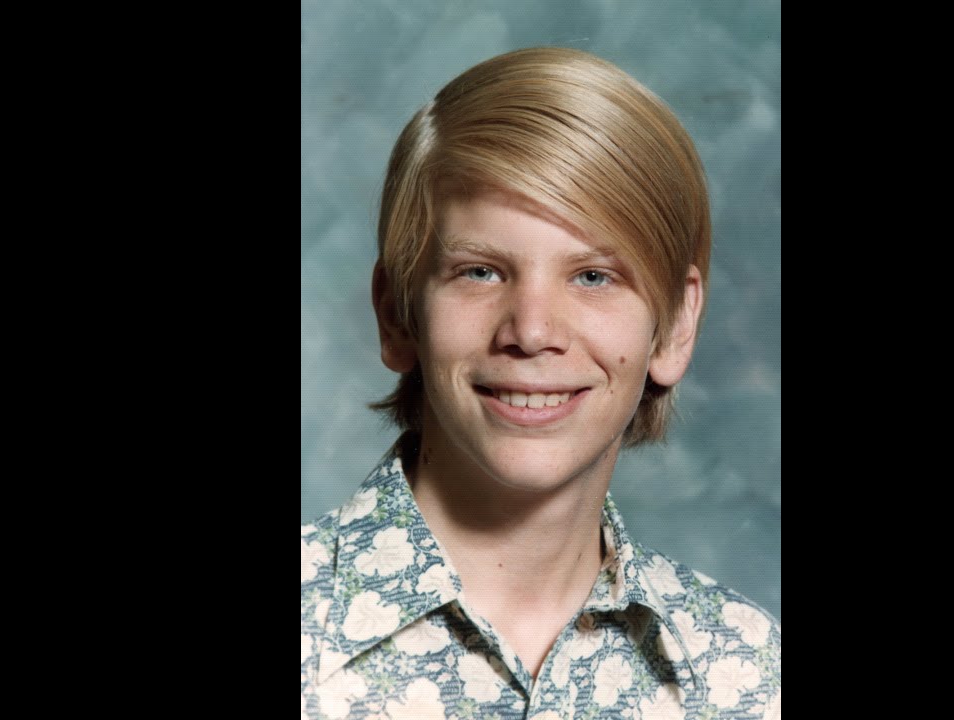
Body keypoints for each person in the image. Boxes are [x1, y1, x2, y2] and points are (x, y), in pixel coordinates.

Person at [301, 47, 781, 719]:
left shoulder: (746, 675)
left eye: (593, 276)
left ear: (674, 327)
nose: (531, 332)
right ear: (396, 313)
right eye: (480, 271)